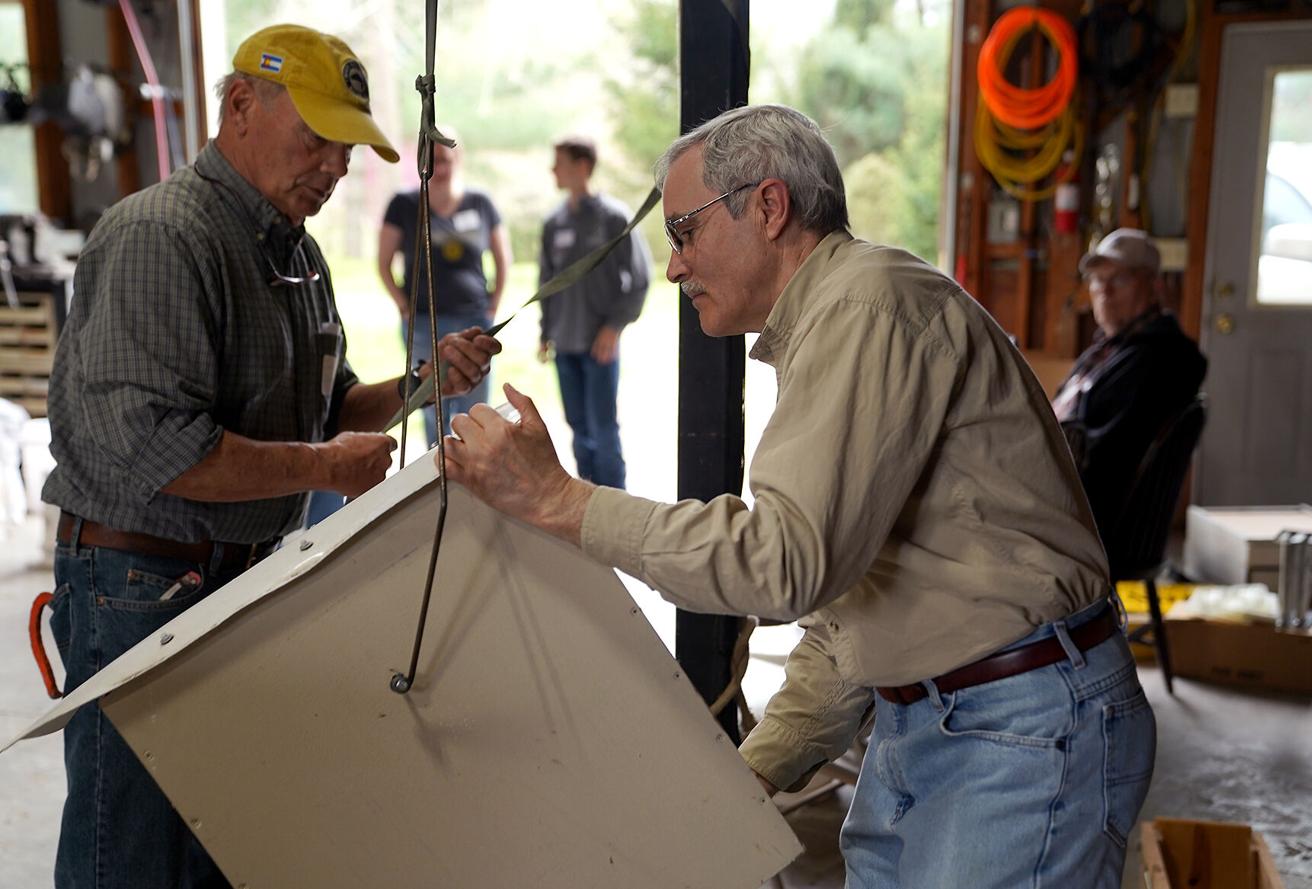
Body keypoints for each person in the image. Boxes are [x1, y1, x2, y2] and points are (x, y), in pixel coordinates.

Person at [439, 105, 1155, 888]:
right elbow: (850, 606)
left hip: (1016, 723)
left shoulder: (865, 306)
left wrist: (563, 502)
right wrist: (753, 774)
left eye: (683, 232)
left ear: (770, 208)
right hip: (944, 716)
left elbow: (783, 564)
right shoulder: (831, 319)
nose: (673, 266)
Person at [41, 25, 499, 889]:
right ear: (240, 105)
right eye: (316, 138)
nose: (332, 166)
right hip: (142, 587)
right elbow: (162, 452)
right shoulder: (163, 236)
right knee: (132, 855)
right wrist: (326, 470)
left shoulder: (298, 252)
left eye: (347, 148)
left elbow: (330, 407)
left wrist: (422, 382)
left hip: (242, 584)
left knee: (229, 836)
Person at [1052, 228, 1207, 568]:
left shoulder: (1161, 357)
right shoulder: (1111, 348)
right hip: (1064, 497)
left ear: (1154, 286)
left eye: (1119, 279)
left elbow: (1103, 459)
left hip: (1090, 521)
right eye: (1096, 280)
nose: (1103, 291)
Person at [378, 130, 510, 445]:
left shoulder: (480, 202)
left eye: (447, 160)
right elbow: (384, 262)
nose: (442, 168)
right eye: (435, 160)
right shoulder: (403, 204)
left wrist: (494, 303)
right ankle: (437, 474)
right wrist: (403, 305)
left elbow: (503, 259)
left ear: (458, 160)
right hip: (424, 322)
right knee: (430, 405)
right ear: (422, 161)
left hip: (474, 319)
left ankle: (476, 474)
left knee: (476, 405)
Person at [537, 135, 650, 489]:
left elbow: (640, 279)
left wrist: (613, 328)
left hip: (599, 346)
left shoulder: (613, 218)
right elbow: (546, 282)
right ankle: (586, 497)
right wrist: (545, 332)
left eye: (560, 162)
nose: (553, 169)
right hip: (564, 345)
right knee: (578, 427)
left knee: (603, 428)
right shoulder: (553, 223)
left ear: (582, 166)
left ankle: (615, 503)